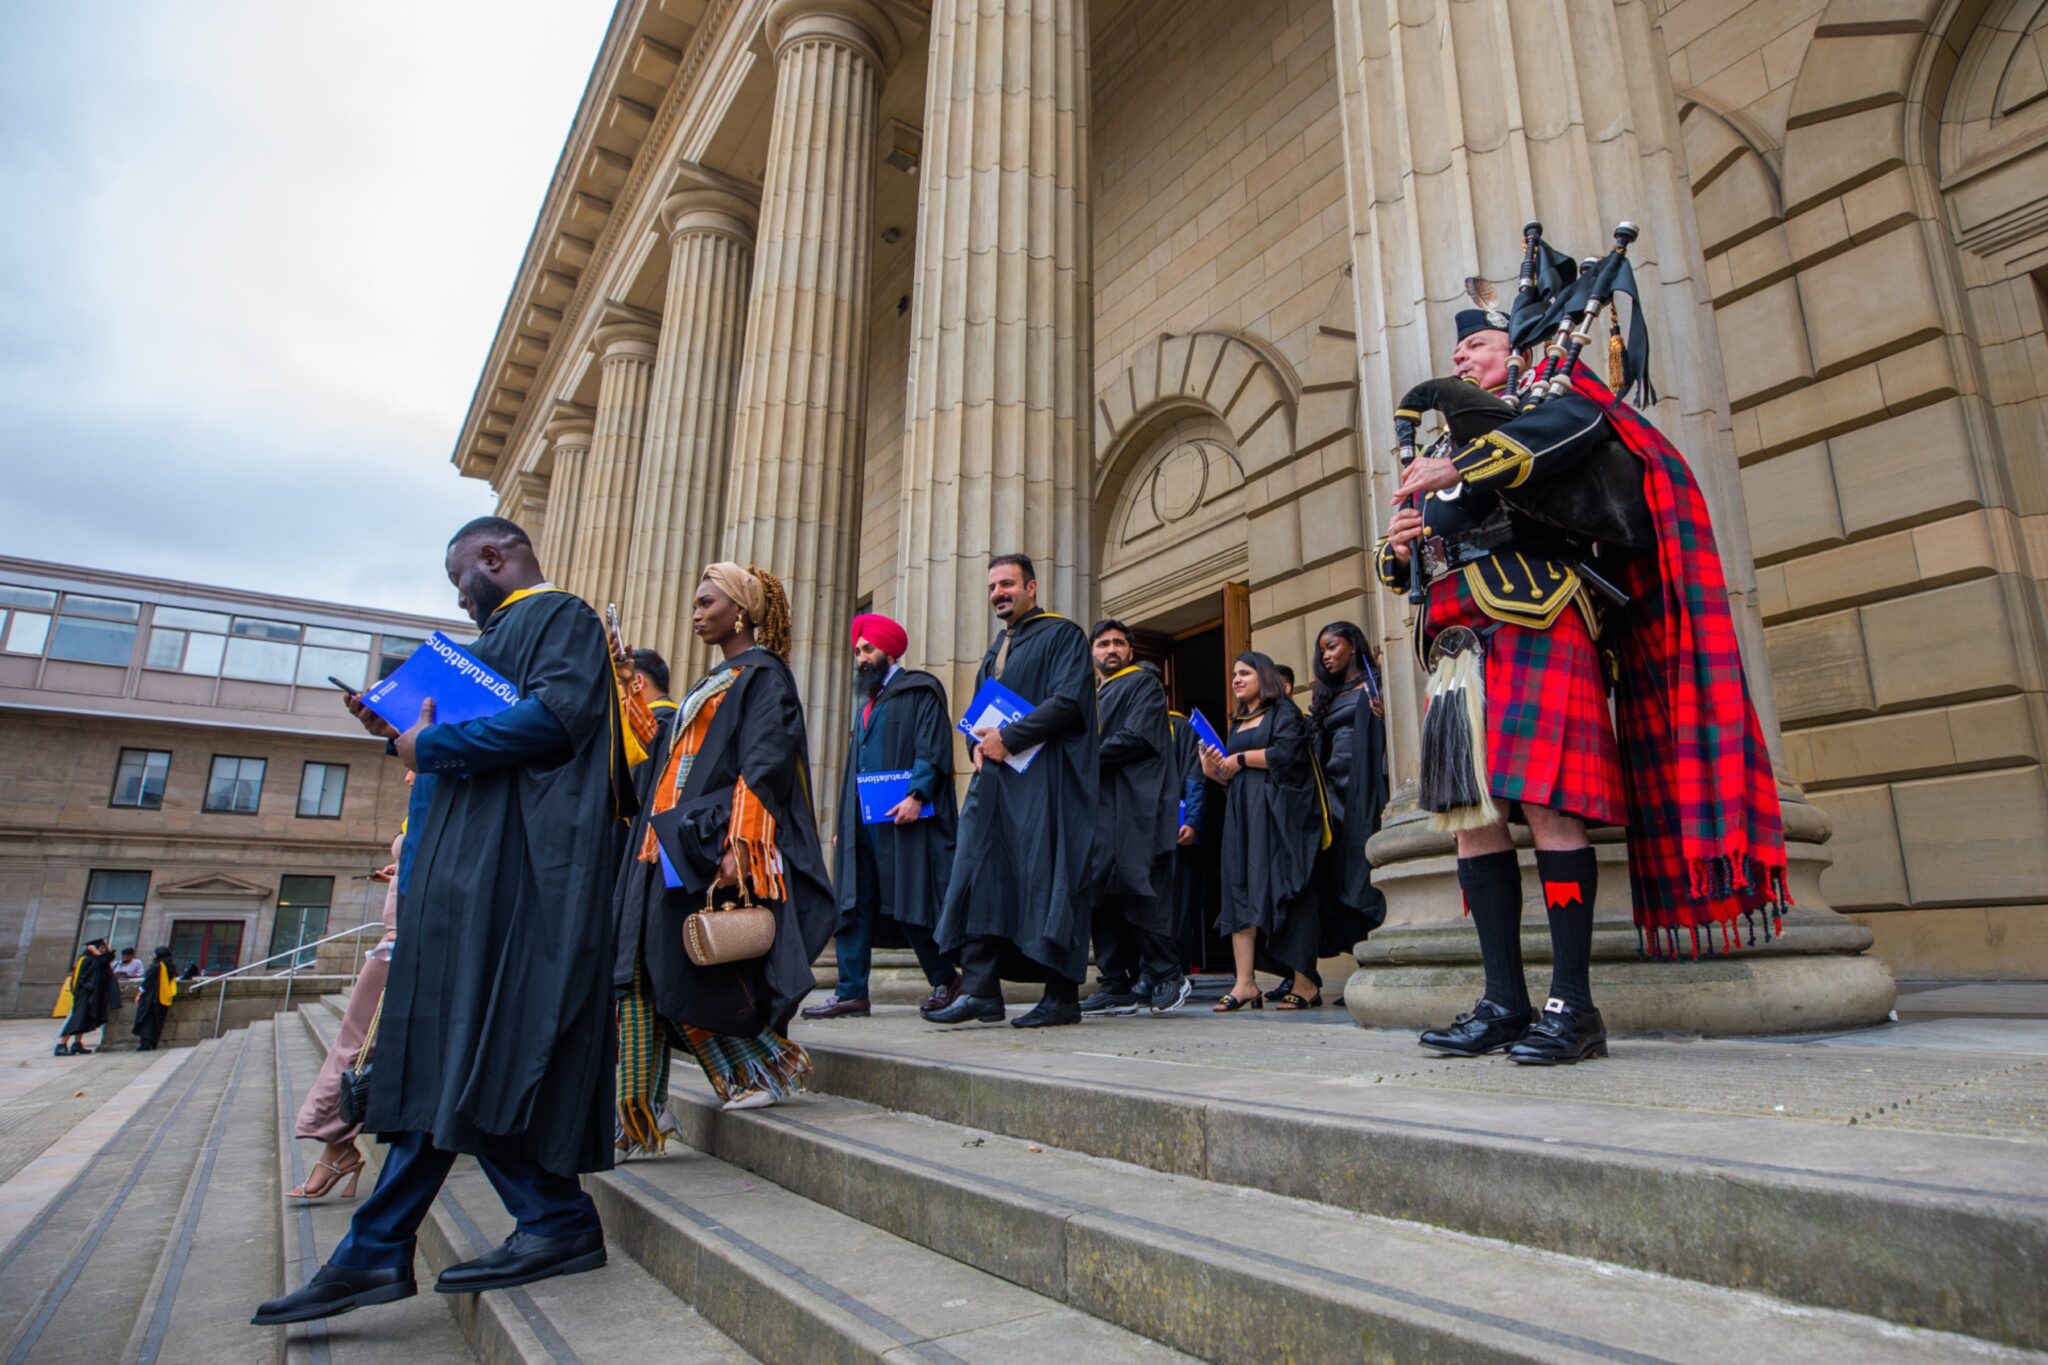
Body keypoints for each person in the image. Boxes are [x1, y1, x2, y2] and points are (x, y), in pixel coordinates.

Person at [1375, 253, 1785, 1065]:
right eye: (1458, 349)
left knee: (1550, 806)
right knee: (1470, 820)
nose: (1461, 355)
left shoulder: (1553, 399)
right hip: (1455, 645)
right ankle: (1503, 1000)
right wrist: (1398, 545)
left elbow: (1559, 439)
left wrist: (1459, 465)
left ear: (1516, 348)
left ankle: (1573, 1005)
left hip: (1537, 618)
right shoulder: (1446, 447)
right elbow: (1409, 569)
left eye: (1477, 344)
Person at [254, 516, 631, 1326]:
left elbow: (556, 720)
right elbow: (464, 734)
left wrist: (433, 743)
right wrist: (403, 729)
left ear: (495, 556)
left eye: (461, 578)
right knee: (442, 1056)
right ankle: (526, 1221)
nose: (459, 596)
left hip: (512, 881)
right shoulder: (492, 641)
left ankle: (396, 1244)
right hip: (464, 878)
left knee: (457, 1052)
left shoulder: (558, 614)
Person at [612, 563, 834, 1152]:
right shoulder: (711, 681)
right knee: (638, 971)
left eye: (707, 602)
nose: (696, 612)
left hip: (705, 847)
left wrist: (740, 846)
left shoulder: (763, 677)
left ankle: (759, 1068)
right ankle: (639, 1114)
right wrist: (627, 681)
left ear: (741, 612)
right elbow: (661, 752)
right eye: (695, 601)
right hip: (662, 847)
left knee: (671, 968)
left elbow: (764, 764)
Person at [929, 554, 1098, 1028]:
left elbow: (1068, 702)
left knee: (1049, 875)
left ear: (1032, 587)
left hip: (1045, 784)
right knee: (977, 871)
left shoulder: (1062, 635)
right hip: (996, 783)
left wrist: (1010, 738)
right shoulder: (997, 648)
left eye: (1007, 584)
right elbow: (980, 713)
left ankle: (1061, 997)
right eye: (992, 587)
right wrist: (975, 746)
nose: (997, 594)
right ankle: (981, 990)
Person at [807, 613, 960, 1021]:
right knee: (853, 903)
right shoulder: (866, 705)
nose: (861, 658)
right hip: (864, 821)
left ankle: (946, 978)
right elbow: (853, 768)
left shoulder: (921, 690)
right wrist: (846, 822)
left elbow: (932, 746)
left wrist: (917, 794)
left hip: (904, 817)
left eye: (868, 649)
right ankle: (850, 992)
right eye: (858, 651)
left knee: (909, 900)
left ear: (889, 653)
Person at [1200, 653, 1324, 1012]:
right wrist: (1213, 771)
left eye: (1244, 673)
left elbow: (1288, 756)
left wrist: (1238, 760)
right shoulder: (1237, 721)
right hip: (1242, 815)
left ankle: (1304, 983)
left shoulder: (1283, 712)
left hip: (1279, 814)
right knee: (1238, 887)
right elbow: (1232, 776)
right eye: (1234, 674)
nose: (1236, 680)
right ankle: (1245, 983)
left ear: (1263, 675)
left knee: (1289, 888)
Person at [1077, 621, 1186, 1016]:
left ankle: (1168, 972)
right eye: (1103, 644)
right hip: (1099, 806)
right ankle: (1116, 984)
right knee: (1097, 893)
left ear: (1130, 651)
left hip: (1135, 805)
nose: (1111, 649)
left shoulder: (1142, 683)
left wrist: (1079, 758)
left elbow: (1136, 739)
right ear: (1092, 652)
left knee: (1136, 890)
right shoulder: (1091, 694)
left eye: (1118, 643)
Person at [287, 830, 403, 1200]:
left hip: (403, 943)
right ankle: (336, 1148)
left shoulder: (441, 798)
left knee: (357, 1045)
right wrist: (400, 871)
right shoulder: (427, 806)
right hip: (399, 942)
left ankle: (336, 1148)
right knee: (357, 1043)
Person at [1299, 622, 1390, 998]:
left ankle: (1379, 959)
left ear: (1352, 645)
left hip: (1365, 789)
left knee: (1363, 872)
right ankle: (1361, 959)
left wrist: (1385, 715)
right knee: (1338, 876)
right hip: (1331, 794)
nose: (1326, 655)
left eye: (1332, 646)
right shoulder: (1328, 694)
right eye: (1322, 649)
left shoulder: (1377, 683)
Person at [1160, 693, 1210, 976]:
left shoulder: (1179, 727)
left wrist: (1192, 820)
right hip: (1138, 830)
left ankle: (1174, 970)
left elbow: (1194, 776)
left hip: (1174, 828)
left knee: (1175, 902)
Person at [54, 939, 115, 1056]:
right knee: (77, 1020)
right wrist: (94, 950)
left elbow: (108, 957)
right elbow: (104, 958)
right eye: (100, 948)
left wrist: (103, 948)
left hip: (90, 995)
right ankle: (61, 1046)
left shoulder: (92, 959)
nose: (102, 951)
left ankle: (77, 1044)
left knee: (83, 1020)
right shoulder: (88, 960)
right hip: (85, 995)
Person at [130, 946, 177, 1052]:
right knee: (157, 1021)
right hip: (162, 998)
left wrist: (139, 994)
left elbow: (147, 981)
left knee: (146, 1020)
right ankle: (153, 1043)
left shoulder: (156, 966)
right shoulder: (170, 966)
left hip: (151, 998)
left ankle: (145, 1044)